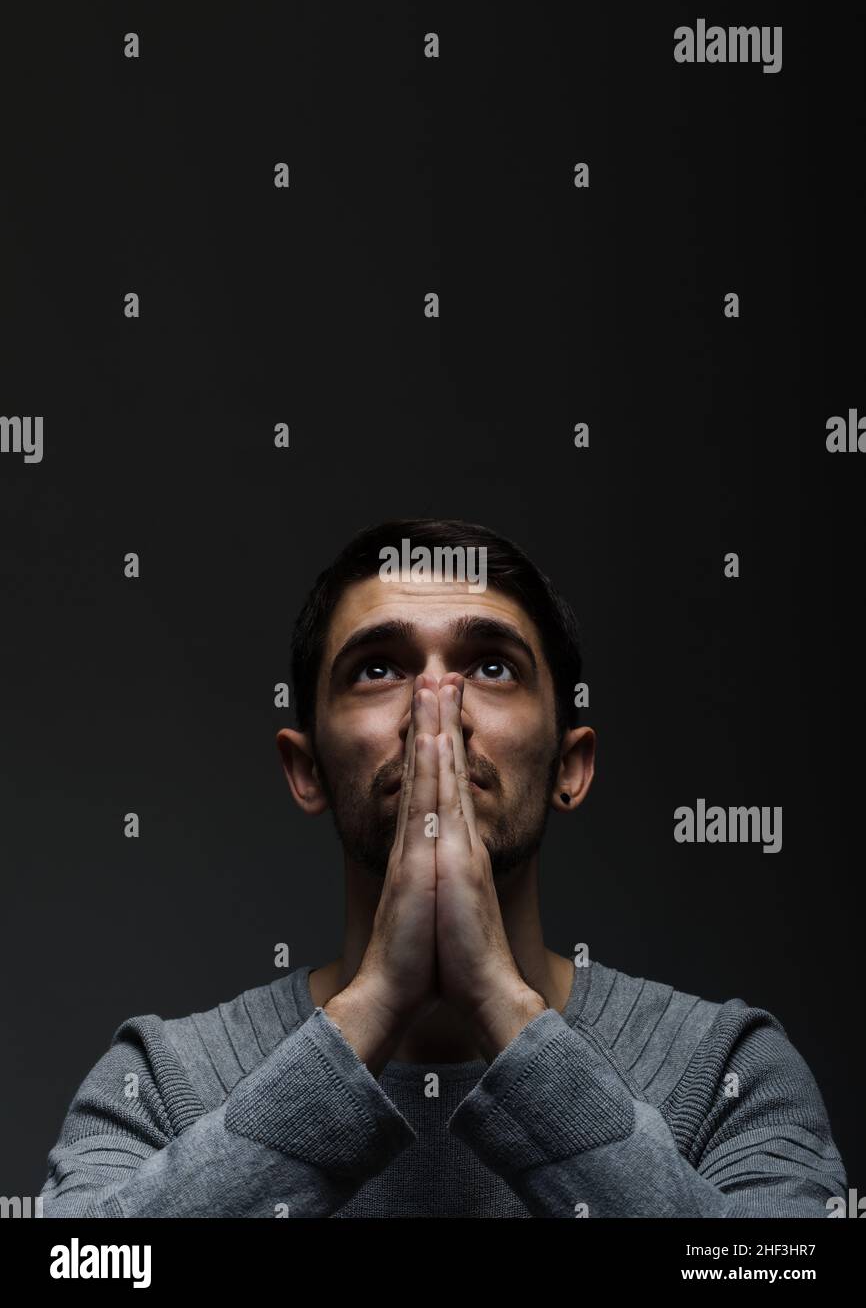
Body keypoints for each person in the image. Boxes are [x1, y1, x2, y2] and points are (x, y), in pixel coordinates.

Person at [40, 518, 847, 1218]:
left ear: (571, 765)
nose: (438, 708)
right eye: (380, 668)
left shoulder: (726, 1070)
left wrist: (503, 1010)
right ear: (307, 769)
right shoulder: (164, 1079)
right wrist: (373, 1011)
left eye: (491, 667)